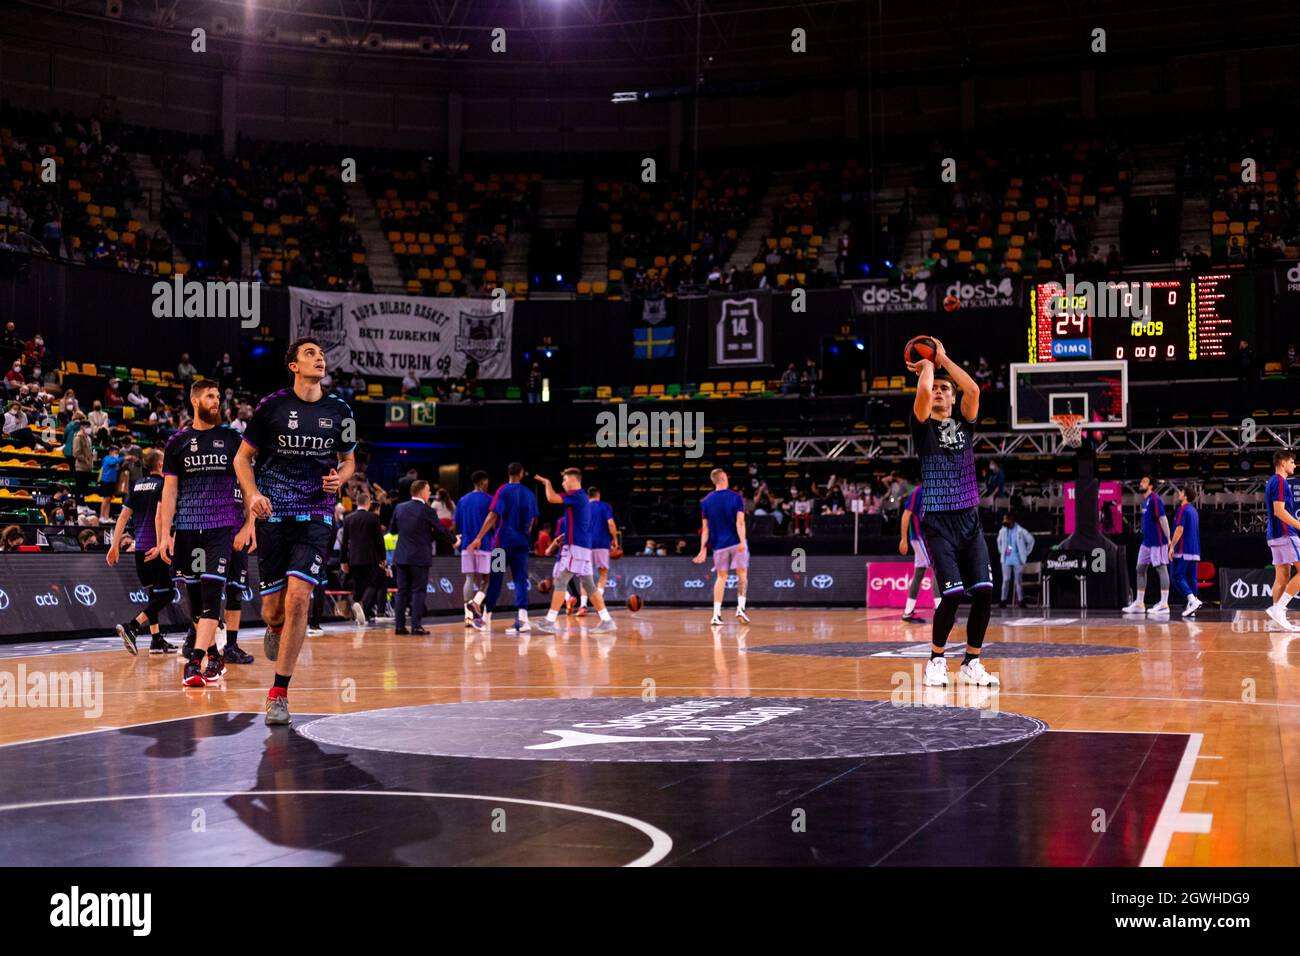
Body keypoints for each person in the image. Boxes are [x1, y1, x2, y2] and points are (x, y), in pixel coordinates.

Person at [234, 337, 357, 725]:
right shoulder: (271, 406)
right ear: (293, 365)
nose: (319, 358)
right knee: (274, 607)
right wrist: (252, 495)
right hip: (273, 514)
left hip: (316, 514)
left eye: (321, 355)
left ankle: (278, 692)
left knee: (300, 597)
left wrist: (341, 479)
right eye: (310, 354)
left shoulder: (341, 410)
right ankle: (273, 626)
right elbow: (242, 458)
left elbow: (349, 461)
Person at [907, 338, 999, 687]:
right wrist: (927, 367)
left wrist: (943, 357)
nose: (941, 393)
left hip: (969, 520)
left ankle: (972, 662)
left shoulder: (963, 425)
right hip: (938, 522)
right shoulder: (923, 426)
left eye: (947, 389)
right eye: (937, 390)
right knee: (953, 594)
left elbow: (973, 388)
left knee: (986, 591)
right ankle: (936, 659)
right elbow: (922, 395)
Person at [157, 379, 253, 687]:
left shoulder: (232, 438)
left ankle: (195, 661)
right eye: (211, 396)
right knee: (196, 603)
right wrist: (164, 534)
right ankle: (216, 656)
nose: (217, 400)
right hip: (186, 528)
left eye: (219, 396)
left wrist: (249, 525)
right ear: (195, 401)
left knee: (214, 594)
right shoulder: (176, 442)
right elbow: (169, 493)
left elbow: (249, 485)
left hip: (221, 527)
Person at [107, 448, 178, 655]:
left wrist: (114, 545)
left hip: (140, 548)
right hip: (156, 547)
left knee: (154, 593)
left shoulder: (136, 485)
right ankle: (133, 626)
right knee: (167, 594)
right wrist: (160, 544)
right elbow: (158, 515)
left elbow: (122, 517)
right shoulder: (165, 484)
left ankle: (156, 640)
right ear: (159, 465)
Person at [528, 469, 617, 634]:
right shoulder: (582, 497)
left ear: (573, 480)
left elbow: (551, 498)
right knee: (590, 585)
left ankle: (549, 621)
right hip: (581, 545)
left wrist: (547, 483)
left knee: (561, 580)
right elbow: (581, 523)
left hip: (576, 547)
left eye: (564, 480)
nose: (562, 483)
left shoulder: (576, 495)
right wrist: (564, 535)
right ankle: (607, 620)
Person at [465, 461, 539, 633]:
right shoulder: (529, 494)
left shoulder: (503, 490)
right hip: (521, 544)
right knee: (521, 579)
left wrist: (478, 537)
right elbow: (532, 522)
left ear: (509, 473)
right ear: (521, 473)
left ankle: (486, 618)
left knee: (495, 579)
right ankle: (522, 619)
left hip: (502, 545)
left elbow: (493, 515)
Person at [389, 480, 455, 634]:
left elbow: (393, 530)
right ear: (421, 492)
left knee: (402, 591)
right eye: (428, 490)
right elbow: (440, 530)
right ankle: (416, 626)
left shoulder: (399, 508)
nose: (429, 493)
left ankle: (399, 627)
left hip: (401, 556)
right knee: (418, 591)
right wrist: (454, 540)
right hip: (419, 557)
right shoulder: (427, 510)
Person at [693, 468, 750, 626]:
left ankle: (716, 615)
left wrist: (702, 549)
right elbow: (740, 522)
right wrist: (742, 541)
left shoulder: (705, 501)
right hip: (736, 542)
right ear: (724, 478)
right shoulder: (736, 497)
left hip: (719, 545)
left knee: (721, 578)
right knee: (742, 574)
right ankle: (740, 608)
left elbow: (705, 529)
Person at [1123, 476, 1172, 615]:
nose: (1140, 483)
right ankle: (1139, 603)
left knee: (1161, 568)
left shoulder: (1156, 499)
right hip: (1146, 542)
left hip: (1158, 541)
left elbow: (1163, 519)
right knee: (1140, 568)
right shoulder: (1145, 501)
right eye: (1141, 481)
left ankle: (1164, 604)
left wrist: (1168, 539)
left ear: (1150, 486)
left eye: (1143, 481)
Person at [1264, 450, 1300, 631]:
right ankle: (1279, 608)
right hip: (1286, 533)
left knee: (1282, 577)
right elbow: (1279, 511)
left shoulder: (1271, 481)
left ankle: (1276, 620)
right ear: (1283, 463)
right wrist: (1299, 525)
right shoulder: (1279, 481)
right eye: (1292, 462)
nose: (1294, 465)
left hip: (1274, 535)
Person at [454, 471, 494, 627]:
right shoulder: (490, 499)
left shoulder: (462, 500)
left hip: (466, 545)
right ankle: (477, 603)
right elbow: (495, 522)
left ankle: (468, 617)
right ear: (483, 482)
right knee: (488, 579)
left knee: (469, 579)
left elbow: (455, 524)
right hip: (486, 545)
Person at [341, 493, 386, 625]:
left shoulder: (348, 518)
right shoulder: (373, 518)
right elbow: (379, 540)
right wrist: (382, 557)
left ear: (357, 503)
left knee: (358, 585)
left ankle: (358, 611)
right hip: (370, 558)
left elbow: (344, 542)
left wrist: (343, 560)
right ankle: (362, 604)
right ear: (368, 503)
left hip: (354, 558)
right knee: (373, 583)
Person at [583, 486, 619, 616]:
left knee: (585, 576)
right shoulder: (605, 506)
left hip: (585, 544)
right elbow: (610, 523)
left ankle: (582, 605)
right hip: (602, 543)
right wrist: (615, 539)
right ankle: (599, 602)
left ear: (588, 496)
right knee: (603, 574)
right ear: (599, 495)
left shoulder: (583, 507)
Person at [897, 482, 929, 624]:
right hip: (919, 537)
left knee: (920, 572)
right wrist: (903, 540)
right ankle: (941, 610)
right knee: (938, 569)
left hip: (927, 538)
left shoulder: (936, 490)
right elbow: (906, 515)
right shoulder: (918, 491)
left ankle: (908, 612)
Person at [1169, 486, 1203, 617]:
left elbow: (1180, 529)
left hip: (1184, 549)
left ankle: (1192, 600)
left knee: (1178, 576)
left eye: (1181, 492)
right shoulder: (1194, 511)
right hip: (1195, 550)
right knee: (1191, 579)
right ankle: (1192, 606)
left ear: (1186, 496)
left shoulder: (1182, 509)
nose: (1179, 493)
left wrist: (1172, 546)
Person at [996, 511, 1035, 608]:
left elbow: (1031, 540)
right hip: (1006, 559)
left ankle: (1021, 601)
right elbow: (999, 542)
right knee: (1006, 580)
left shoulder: (1020, 531)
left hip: (1018, 559)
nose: (1005, 522)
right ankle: (1003, 600)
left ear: (1012, 520)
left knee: (1018, 581)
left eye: (1007, 520)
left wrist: (1026, 552)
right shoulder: (1003, 530)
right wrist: (1001, 551)